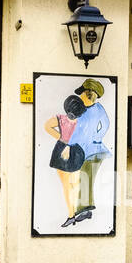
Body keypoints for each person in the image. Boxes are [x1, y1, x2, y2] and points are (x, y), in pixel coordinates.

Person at [68, 79, 110, 224]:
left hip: (94, 151)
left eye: (82, 93)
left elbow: (105, 125)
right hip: (81, 150)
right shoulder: (80, 110)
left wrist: (96, 138)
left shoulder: (98, 109)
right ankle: (82, 209)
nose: (80, 96)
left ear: (90, 94)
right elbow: (75, 130)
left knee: (85, 177)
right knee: (80, 178)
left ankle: (84, 210)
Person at [43, 94, 87, 227]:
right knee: (72, 185)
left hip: (68, 151)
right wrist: (64, 140)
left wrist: (63, 140)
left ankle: (72, 215)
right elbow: (47, 126)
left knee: (70, 185)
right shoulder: (75, 122)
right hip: (70, 151)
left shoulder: (63, 119)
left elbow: (47, 126)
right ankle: (73, 213)